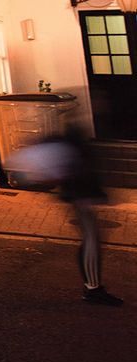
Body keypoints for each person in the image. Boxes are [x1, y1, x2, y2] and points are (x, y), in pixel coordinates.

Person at [57, 127, 122, 306]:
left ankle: (92, 287)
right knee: (92, 241)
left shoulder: (71, 146)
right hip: (81, 199)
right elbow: (81, 174)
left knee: (91, 240)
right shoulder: (76, 149)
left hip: (80, 197)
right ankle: (93, 289)